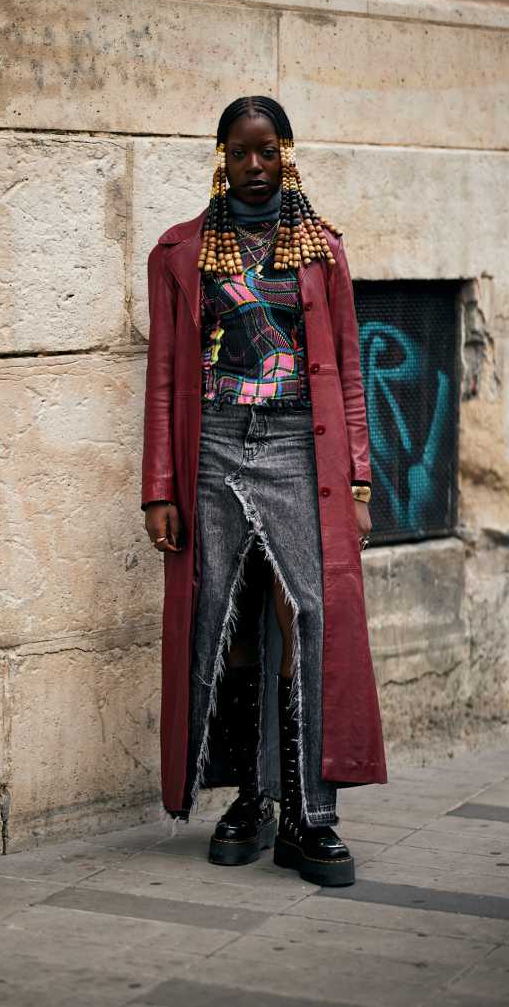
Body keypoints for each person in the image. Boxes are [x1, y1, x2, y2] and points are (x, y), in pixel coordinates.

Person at [141, 96, 386, 888]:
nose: (255, 165)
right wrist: (160, 488)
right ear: (221, 155)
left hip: (295, 448)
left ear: (286, 154)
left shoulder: (322, 250)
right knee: (224, 614)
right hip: (210, 446)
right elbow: (166, 378)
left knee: (305, 613)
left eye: (268, 150)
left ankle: (310, 815)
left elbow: (350, 373)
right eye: (241, 151)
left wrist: (357, 476)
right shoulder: (180, 252)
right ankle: (248, 800)